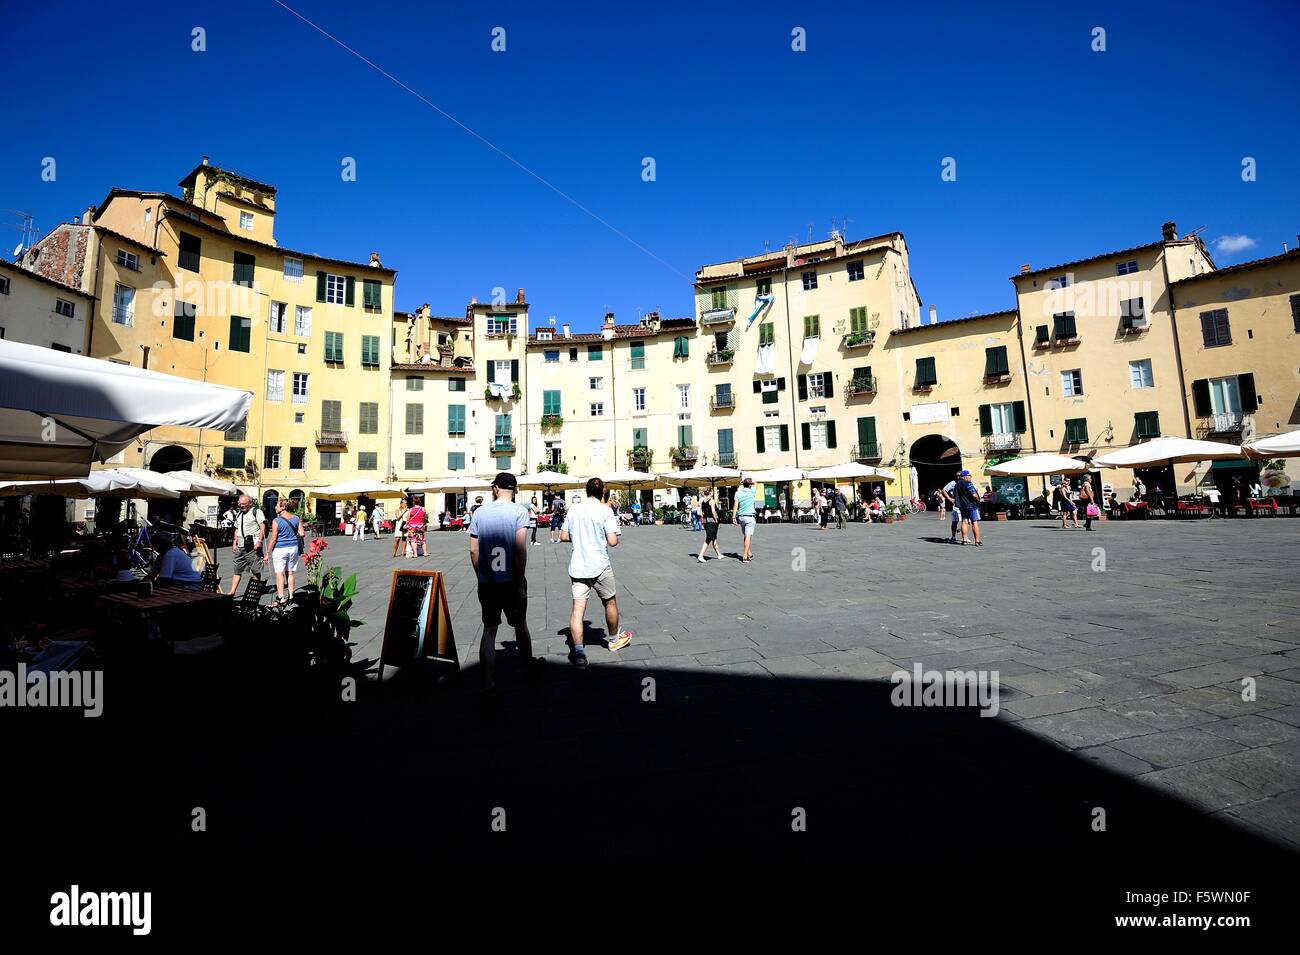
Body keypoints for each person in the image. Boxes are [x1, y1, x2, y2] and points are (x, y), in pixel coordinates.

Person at [468, 472, 536, 692]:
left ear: (495, 489)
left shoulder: (480, 512)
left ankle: (488, 682)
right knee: (520, 625)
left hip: (488, 581)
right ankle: (528, 669)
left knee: (489, 630)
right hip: (511, 579)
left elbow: (473, 550)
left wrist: (482, 574)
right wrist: (518, 585)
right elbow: (519, 550)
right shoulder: (520, 512)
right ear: (514, 490)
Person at [561, 477, 632, 668]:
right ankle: (614, 639)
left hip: (578, 566)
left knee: (577, 610)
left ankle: (579, 652)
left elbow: (563, 536)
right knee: (610, 601)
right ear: (602, 493)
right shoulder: (605, 510)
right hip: (600, 565)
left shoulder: (574, 510)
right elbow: (613, 541)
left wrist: (580, 539)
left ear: (586, 491)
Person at [263, 497, 305, 605]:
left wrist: (267, 552)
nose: (275, 507)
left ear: (283, 507)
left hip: (280, 549)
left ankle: (281, 597)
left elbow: (273, 538)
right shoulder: (296, 518)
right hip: (293, 548)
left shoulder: (276, 520)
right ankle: (291, 596)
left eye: (277, 505)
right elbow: (302, 533)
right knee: (290, 572)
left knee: (279, 573)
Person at [227, 494, 266, 596]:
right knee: (237, 570)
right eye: (240, 504)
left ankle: (254, 591)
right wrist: (234, 542)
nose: (241, 506)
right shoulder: (239, 513)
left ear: (250, 504)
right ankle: (232, 592)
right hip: (240, 546)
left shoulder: (256, 512)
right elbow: (236, 528)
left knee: (256, 570)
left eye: (243, 504)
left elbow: (263, 526)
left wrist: (259, 541)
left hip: (252, 546)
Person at [953, 469, 983, 546]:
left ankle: (964, 540)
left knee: (964, 522)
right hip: (972, 505)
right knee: (974, 522)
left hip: (962, 506)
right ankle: (977, 541)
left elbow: (954, 495)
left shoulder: (957, 485)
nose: (970, 477)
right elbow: (974, 494)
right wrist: (978, 499)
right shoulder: (968, 483)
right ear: (965, 476)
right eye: (970, 476)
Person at [696, 487, 724, 562]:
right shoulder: (712, 501)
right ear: (711, 493)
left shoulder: (703, 502)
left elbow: (702, 513)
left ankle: (719, 554)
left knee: (713, 538)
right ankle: (701, 555)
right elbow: (713, 511)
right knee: (708, 539)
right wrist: (716, 520)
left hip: (706, 521)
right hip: (712, 521)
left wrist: (703, 522)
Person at [734, 476, 757, 561]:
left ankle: (749, 553)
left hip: (741, 517)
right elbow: (756, 482)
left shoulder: (738, 493)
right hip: (750, 517)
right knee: (748, 536)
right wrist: (749, 481)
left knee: (746, 535)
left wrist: (733, 517)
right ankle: (744, 556)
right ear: (750, 485)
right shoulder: (752, 492)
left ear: (743, 484)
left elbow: (735, 505)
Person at [941, 477, 960, 542]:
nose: (959, 477)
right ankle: (953, 536)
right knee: (955, 521)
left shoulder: (965, 482)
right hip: (956, 504)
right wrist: (949, 499)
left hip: (964, 504)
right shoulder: (953, 483)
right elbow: (944, 490)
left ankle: (965, 537)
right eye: (958, 475)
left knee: (966, 521)